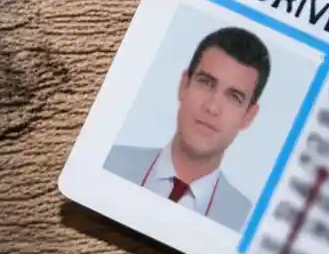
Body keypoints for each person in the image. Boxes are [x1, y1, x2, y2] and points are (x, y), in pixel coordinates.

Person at [104, 26, 271, 231]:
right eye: (206, 83)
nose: (211, 107)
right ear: (184, 85)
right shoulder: (109, 162)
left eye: (234, 97)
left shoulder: (247, 224)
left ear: (248, 117)